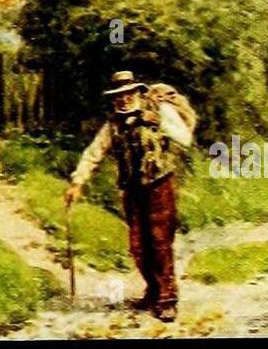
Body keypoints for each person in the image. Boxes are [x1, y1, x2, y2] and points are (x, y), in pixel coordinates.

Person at [63, 70, 194, 321]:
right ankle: (153, 291)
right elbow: (93, 153)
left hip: (159, 185)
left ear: (136, 92)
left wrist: (157, 120)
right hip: (133, 190)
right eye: (117, 96)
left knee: (159, 242)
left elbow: (185, 139)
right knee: (137, 246)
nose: (123, 100)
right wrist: (77, 183)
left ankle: (167, 299)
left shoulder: (159, 111)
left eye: (127, 93)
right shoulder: (112, 125)